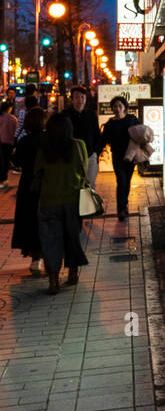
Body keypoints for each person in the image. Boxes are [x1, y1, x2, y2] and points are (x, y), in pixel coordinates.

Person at [32, 113, 88, 295]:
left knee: (50, 241)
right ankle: (72, 274)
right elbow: (84, 170)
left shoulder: (44, 150)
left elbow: (37, 174)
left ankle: (53, 280)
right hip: (72, 201)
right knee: (71, 237)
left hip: (48, 201)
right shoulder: (78, 146)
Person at [11, 106, 46, 274]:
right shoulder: (49, 140)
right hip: (47, 185)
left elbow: (16, 162)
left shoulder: (24, 142)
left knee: (30, 220)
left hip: (27, 185)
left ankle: (35, 259)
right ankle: (49, 257)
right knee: (46, 220)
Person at [99, 95, 139, 222]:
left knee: (127, 182)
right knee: (121, 181)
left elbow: (140, 133)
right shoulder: (110, 123)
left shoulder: (132, 119)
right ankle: (121, 209)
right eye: (115, 106)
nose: (117, 108)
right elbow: (103, 140)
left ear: (125, 107)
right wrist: (96, 151)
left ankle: (124, 204)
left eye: (120, 106)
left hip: (131, 156)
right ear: (112, 108)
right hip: (117, 156)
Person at [67, 85, 100, 186]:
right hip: (72, 156)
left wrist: (96, 152)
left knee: (90, 184)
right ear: (72, 99)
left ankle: (88, 202)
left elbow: (96, 134)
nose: (80, 100)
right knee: (74, 184)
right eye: (76, 97)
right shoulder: (66, 115)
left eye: (82, 97)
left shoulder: (91, 115)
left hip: (90, 155)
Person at [0, 99, 18, 187]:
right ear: (9, 109)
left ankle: (2, 179)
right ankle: (4, 179)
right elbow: (16, 131)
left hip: (1, 141)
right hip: (9, 142)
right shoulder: (13, 119)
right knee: (6, 161)